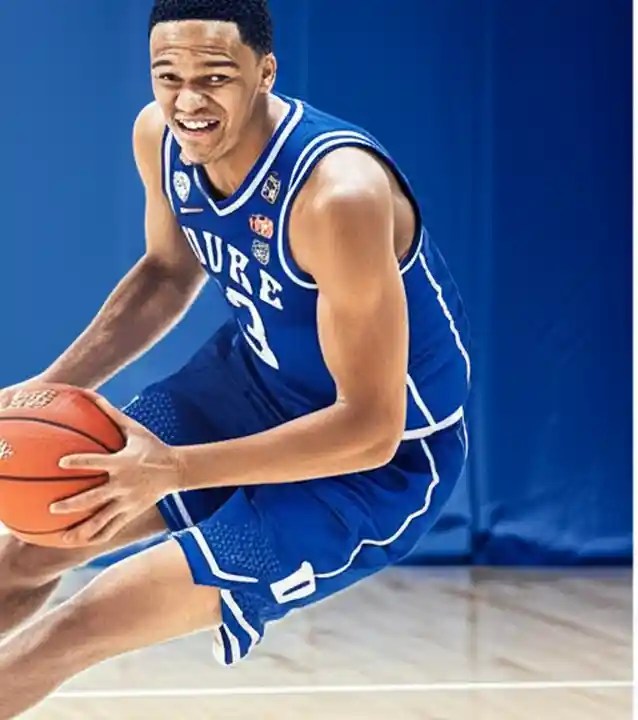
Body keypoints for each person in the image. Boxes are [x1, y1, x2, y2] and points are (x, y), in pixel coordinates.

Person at [0, 0, 470, 714]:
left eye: (214, 78)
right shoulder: (159, 136)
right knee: (30, 552)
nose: (188, 101)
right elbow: (164, 274)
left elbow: (371, 428)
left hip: (379, 460)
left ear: (264, 73)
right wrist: (45, 388)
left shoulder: (336, 194)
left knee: (77, 625)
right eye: (168, 76)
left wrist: (175, 469)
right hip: (245, 386)